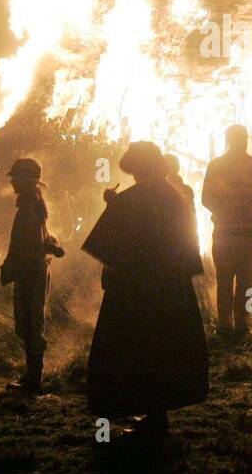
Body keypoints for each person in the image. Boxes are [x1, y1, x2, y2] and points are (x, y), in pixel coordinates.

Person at [82, 141, 209, 439]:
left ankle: (149, 412)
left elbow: (118, 245)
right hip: (170, 289)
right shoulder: (173, 196)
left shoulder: (132, 199)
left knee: (139, 348)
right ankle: (157, 412)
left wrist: (115, 208)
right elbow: (183, 242)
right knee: (164, 348)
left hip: (135, 292)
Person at [201, 125, 252, 340]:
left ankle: (225, 324)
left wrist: (225, 210)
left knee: (224, 278)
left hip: (224, 231)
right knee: (246, 279)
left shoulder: (216, 166)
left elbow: (206, 199)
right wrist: (248, 209)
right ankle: (243, 323)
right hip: (250, 233)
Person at [0, 158, 62, 393]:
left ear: (30, 180)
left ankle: (34, 381)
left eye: (17, 177)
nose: (13, 181)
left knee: (31, 325)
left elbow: (31, 244)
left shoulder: (30, 207)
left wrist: (12, 267)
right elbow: (42, 237)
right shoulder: (33, 205)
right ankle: (32, 377)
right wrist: (53, 245)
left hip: (30, 273)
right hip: (31, 271)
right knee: (28, 325)